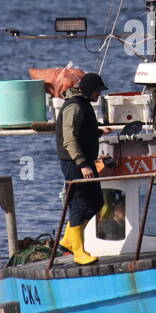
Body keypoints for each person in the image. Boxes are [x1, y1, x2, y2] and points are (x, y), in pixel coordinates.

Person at [55, 72, 108, 264]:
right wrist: (83, 164)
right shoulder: (74, 106)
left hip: (85, 161)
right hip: (74, 162)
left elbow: (83, 130)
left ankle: (69, 240)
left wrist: (98, 132)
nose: (99, 95)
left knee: (96, 202)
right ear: (89, 90)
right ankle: (79, 252)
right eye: (98, 91)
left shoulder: (83, 104)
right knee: (78, 205)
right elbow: (69, 139)